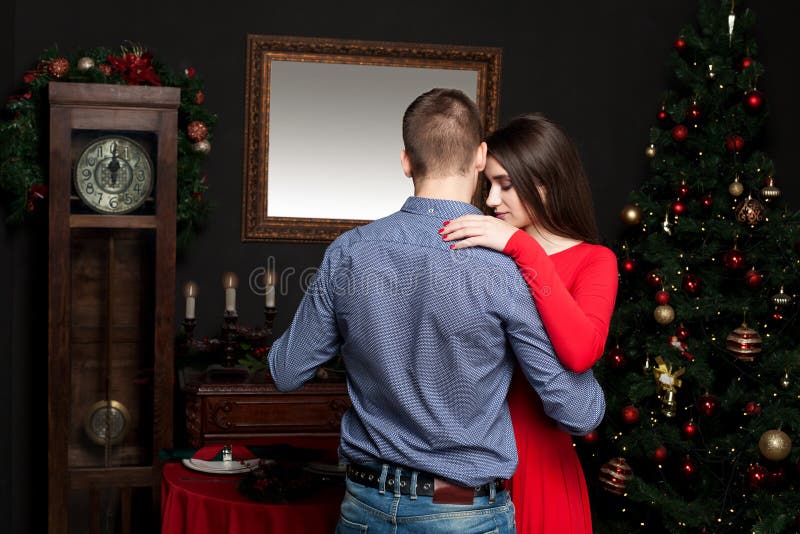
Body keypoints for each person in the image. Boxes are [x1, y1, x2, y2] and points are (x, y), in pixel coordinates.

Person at [268, 91, 606, 534]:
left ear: (406, 162)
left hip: (364, 506)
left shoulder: (349, 253)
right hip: (464, 515)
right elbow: (580, 412)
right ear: (481, 157)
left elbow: (285, 371)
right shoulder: (504, 269)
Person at [440, 112, 619, 533]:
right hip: (466, 465)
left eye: (505, 184)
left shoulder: (595, 261)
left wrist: (524, 249)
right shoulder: (483, 253)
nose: (490, 201)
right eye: (489, 185)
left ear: (543, 183)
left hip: (542, 466)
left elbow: (580, 352)